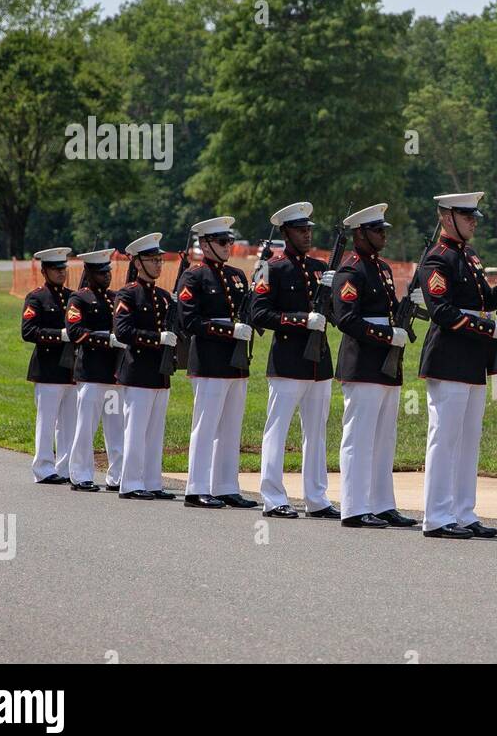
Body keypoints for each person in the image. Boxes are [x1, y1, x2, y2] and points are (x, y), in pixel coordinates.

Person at [417, 192, 497, 539]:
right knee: (444, 439)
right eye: (466, 216)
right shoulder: (437, 260)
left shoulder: (469, 257)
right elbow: (442, 311)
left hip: (473, 359)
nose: (474, 221)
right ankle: (436, 515)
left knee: (468, 440)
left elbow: (481, 300)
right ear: (447, 218)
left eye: (474, 215)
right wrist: (490, 328)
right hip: (448, 357)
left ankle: (463, 511)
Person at [250, 202, 340, 520]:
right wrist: (302, 320)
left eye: (309, 229)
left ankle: (316, 497)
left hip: (319, 362)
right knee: (278, 429)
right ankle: (273, 497)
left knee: (316, 432)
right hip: (288, 360)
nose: (307, 235)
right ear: (286, 232)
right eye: (301, 230)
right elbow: (258, 313)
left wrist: (333, 294)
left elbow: (336, 314)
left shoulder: (319, 267)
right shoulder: (268, 268)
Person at [332, 203, 418, 529]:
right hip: (363, 362)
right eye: (377, 230)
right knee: (359, 436)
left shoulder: (381, 268)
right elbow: (346, 319)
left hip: (385, 362)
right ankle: (354, 507)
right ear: (360, 233)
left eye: (384, 230)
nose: (383, 235)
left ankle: (382, 504)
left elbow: (390, 308)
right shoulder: (350, 271)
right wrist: (386, 335)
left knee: (385, 437)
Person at [177, 216, 258, 510]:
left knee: (231, 426)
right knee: (206, 424)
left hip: (235, 361)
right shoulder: (194, 277)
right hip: (210, 359)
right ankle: (196, 487)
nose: (228, 247)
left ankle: (225, 486)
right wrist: (227, 330)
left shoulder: (237, 275)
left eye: (230, 241)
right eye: (223, 242)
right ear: (206, 244)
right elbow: (189, 321)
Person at [114, 233, 177, 500]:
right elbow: (123, 331)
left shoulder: (164, 296)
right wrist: (156, 339)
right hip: (138, 370)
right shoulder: (127, 294)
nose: (158, 264)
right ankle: (130, 483)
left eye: (159, 259)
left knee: (155, 432)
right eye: (152, 259)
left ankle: (152, 481)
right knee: (136, 430)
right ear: (137, 263)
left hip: (160, 373)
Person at [64, 249, 127, 493]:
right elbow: (75, 332)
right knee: (85, 427)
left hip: (112, 376)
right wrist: (106, 339)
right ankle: (80, 475)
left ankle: (118, 475)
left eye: (108, 271)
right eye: (101, 272)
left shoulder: (114, 298)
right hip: (91, 374)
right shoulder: (78, 300)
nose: (107, 276)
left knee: (116, 427)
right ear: (89, 273)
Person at [22, 247, 77, 485]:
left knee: (68, 423)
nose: (60, 273)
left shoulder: (73, 296)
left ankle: (64, 468)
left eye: (63, 268)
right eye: (56, 269)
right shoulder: (37, 298)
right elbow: (28, 331)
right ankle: (43, 468)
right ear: (44, 271)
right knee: (46, 422)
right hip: (47, 368)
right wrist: (59, 335)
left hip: (70, 369)